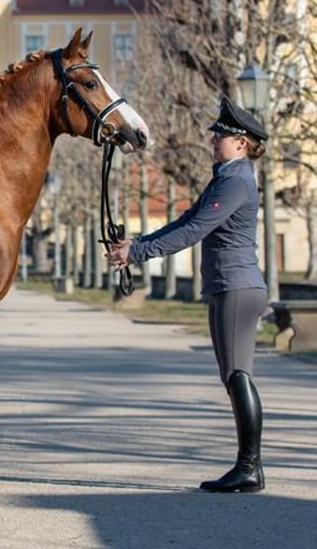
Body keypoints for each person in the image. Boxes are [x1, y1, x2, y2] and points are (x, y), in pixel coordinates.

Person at [108, 96, 269, 493]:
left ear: (242, 143)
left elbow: (194, 231)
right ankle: (248, 466)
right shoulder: (225, 176)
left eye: (222, 135)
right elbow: (186, 219)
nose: (214, 139)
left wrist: (139, 253)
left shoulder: (236, 180)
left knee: (237, 374)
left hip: (237, 285)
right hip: (227, 284)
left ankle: (249, 467)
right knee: (233, 376)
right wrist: (139, 242)